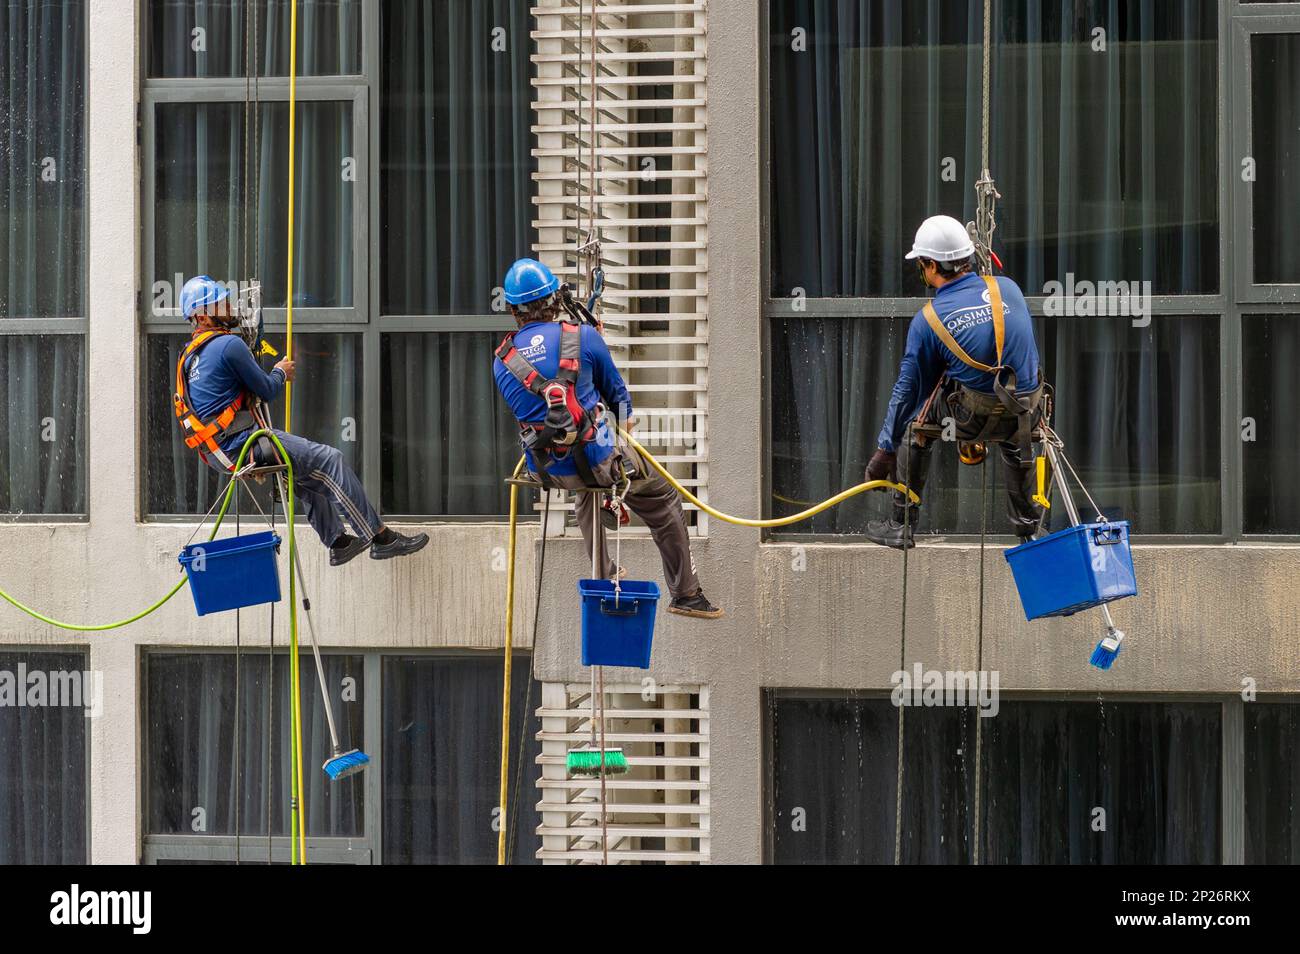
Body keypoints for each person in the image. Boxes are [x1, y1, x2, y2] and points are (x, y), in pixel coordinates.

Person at [491, 258, 723, 619]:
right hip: (598, 463)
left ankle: (604, 568)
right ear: (555, 300)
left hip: (549, 471)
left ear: (512, 309)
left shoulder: (502, 360)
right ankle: (686, 593)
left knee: (587, 479)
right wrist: (619, 449)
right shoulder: (582, 336)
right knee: (662, 498)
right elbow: (621, 404)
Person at [173, 274, 428, 566]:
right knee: (330, 460)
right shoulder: (228, 346)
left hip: (220, 451)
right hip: (241, 443)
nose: (229, 305)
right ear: (203, 316)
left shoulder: (190, 355)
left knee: (304, 473)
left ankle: (338, 541)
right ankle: (379, 537)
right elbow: (267, 389)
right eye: (220, 302)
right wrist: (281, 371)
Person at [864, 215, 1046, 549]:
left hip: (973, 415)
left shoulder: (929, 319)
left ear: (930, 264)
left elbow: (908, 390)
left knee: (912, 425)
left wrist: (885, 450)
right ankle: (1028, 528)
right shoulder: (1008, 289)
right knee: (1013, 433)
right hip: (1026, 410)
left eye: (922, 264)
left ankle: (902, 523)